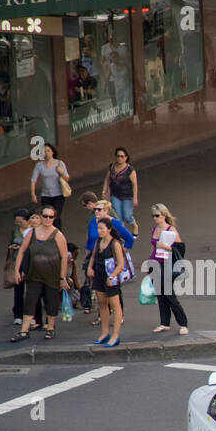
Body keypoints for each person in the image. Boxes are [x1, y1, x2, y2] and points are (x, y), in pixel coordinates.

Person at [11, 204, 68, 342]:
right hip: (34, 274)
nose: (48, 219)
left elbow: (64, 256)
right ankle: (24, 331)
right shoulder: (32, 233)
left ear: (54, 218)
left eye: (51, 217)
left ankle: (51, 328)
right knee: (30, 300)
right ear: (41, 217)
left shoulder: (58, 235)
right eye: (45, 216)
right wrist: (17, 270)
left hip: (52, 274)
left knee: (51, 301)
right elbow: (22, 251)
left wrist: (63, 277)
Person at [148, 204, 188, 335]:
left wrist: (165, 247)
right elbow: (154, 247)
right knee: (160, 295)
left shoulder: (171, 230)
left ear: (164, 215)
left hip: (167, 264)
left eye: (157, 215)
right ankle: (164, 323)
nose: (155, 218)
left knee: (169, 295)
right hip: (155, 264)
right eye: (153, 215)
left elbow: (180, 249)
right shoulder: (154, 229)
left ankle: (183, 323)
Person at [86, 217, 126, 347]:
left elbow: (120, 264)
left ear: (109, 229)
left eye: (101, 228)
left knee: (115, 306)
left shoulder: (115, 244)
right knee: (102, 304)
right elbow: (93, 256)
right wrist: (89, 267)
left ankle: (116, 335)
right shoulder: (99, 241)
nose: (99, 231)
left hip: (110, 277)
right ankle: (104, 333)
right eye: (98, 228)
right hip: (99, 274)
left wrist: (112, 277)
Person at [30, 143, 70, 229]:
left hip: (58, 194)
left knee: (56, 217)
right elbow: (33, 180)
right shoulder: (39, 165)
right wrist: (33, 193)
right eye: (44, 151)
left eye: (48, 151)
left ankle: (58, 235)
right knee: (46, 217)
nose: (46, 153)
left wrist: (61, 172)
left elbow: (67, 178)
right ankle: (48, 234)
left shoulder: (59, 163)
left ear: (52, 152)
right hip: (46, 195)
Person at [101, 147, 139, 232]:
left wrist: (135, 198)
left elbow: (134, 185)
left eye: (122, 156)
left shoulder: (130, 170)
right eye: (118, 156)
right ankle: (122, 234)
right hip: (115, 195)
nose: (120, 158)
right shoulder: (112, 166)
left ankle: (134, 225)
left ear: (126, 157)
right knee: (118, 217)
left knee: (127, 216)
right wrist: (104, 191)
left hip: (128, 196)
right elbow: (107, 179)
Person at [7, 208, 30, 327]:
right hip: (17, 261)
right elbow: (10, 243)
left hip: (29, 263)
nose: (18, 224)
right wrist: (12, 247)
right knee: (18, 289)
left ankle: (30, 314)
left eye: (20, 221)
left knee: (31, 290)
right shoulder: (15, 230)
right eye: (17, 222)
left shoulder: (32, 230)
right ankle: (18, 314)